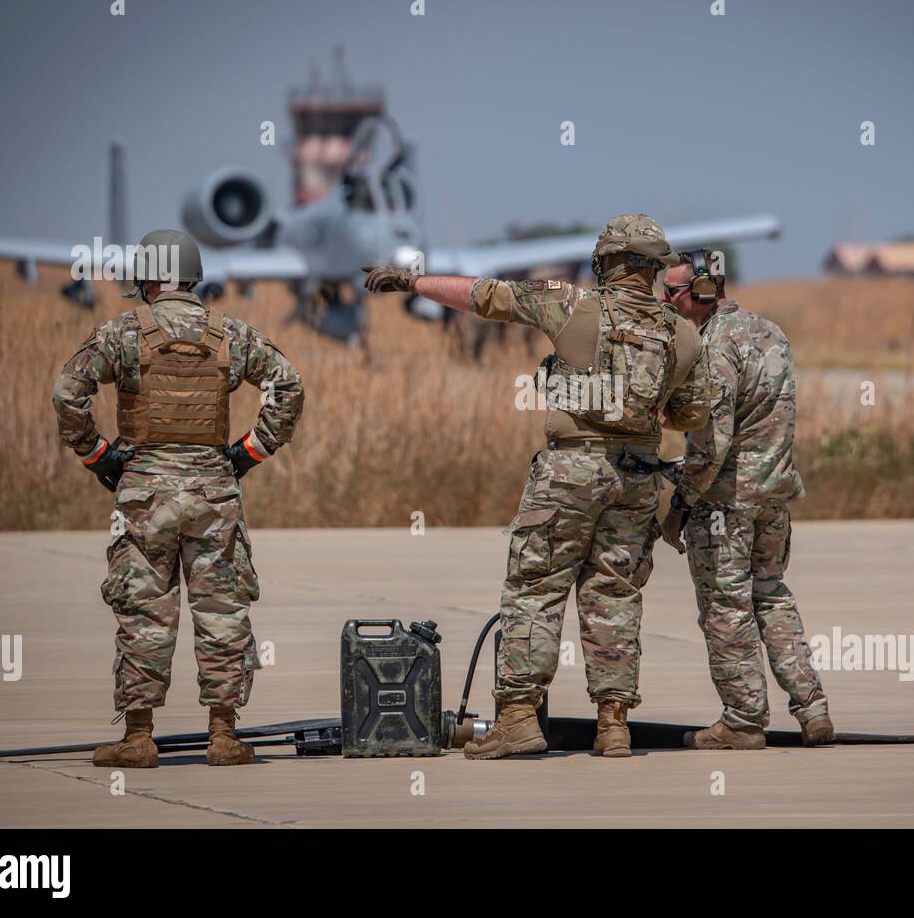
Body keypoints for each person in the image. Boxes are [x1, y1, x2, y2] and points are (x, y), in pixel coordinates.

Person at [363, 214, 710, 758]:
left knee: (535, 591)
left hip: (569, 473)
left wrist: (411, 282)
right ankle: (613, 725)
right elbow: (688, 416)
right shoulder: (683, 333)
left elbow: (484, 296)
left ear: (610, 262)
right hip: (637, 480)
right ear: (654, 268)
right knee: (614, 595)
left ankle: (520, 718)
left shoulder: (571, 305)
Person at [52, 230, 304, 768]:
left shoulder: (121, 333)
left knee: (145, 613)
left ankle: (139, 738)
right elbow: (288, 385)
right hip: (214, 491)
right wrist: (247, 454)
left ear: (146, 279)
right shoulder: (228, 333)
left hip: (144, 494)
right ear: (193, 276)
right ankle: (223, 736)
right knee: (222, 612)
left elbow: (67, 392)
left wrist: (98, 455)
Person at [659, 252, 834, 748]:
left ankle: (742, 721)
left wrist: (680, 504)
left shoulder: (713, 346)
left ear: (703, 293)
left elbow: (711, 440)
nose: (664, 302)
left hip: (726, 503)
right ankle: (812, 709)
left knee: (725, 608)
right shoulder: (768, 332)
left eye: (672, 293)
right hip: (772, 494)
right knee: (771, 595)